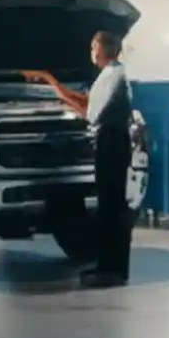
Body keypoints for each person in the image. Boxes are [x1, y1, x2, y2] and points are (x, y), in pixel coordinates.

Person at [24, 31, 134, 288]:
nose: (90, 51)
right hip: (113, 142)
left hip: (112, 143)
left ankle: (111, 270)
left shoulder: (113, 77)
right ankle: (108, 266)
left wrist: (58, 93)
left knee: (110, 207)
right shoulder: (111, 73)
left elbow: (90, 112)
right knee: (110, 206)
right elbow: (88, 100)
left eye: (92, 46)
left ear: (101, 50)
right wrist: (50, 81)